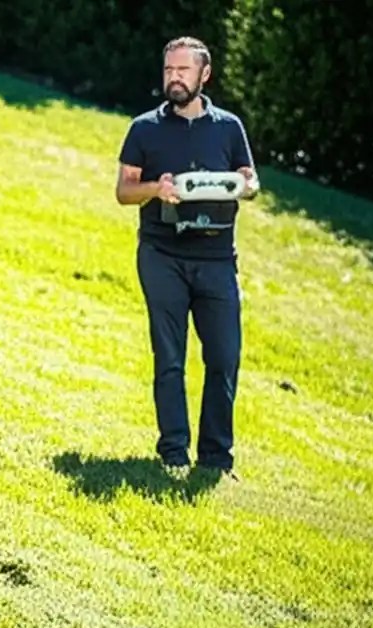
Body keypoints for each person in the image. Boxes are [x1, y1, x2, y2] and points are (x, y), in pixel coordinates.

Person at [114, 36, 259, 476]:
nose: (174, 79)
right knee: (170, 356)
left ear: (204, 75)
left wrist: (246, 186)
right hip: (162, 254)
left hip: (217, 258)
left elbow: (249, 178)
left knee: (223, 357)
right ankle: (174, 451)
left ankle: (215, 459)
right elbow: (124, 191)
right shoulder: (145, 128)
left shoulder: (229, 127)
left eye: (183, 71)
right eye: (168, 71)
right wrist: (157, 190)